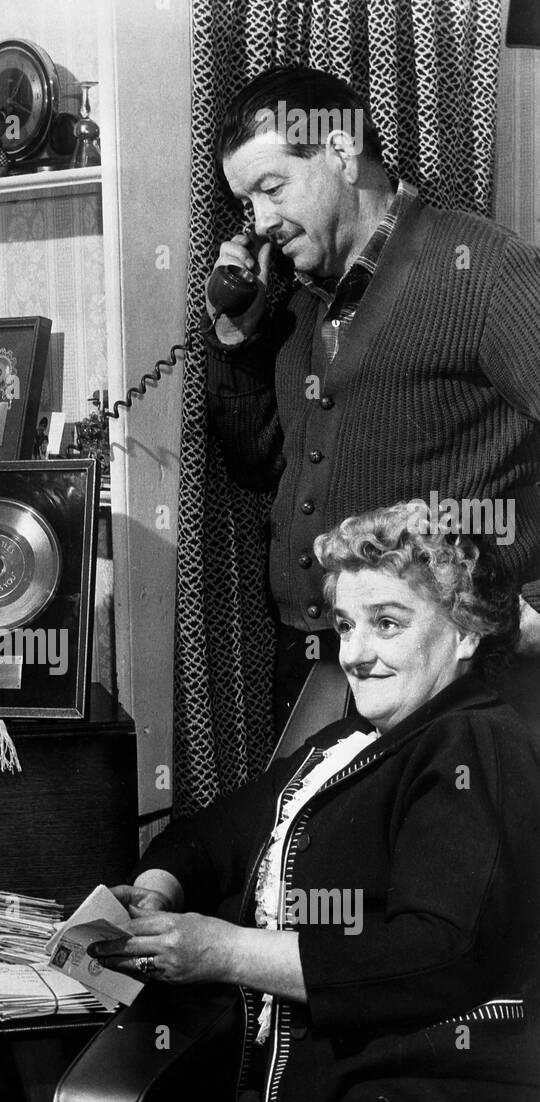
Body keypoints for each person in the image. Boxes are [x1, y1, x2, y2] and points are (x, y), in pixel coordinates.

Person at [90, 501, 540, 1102]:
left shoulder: (472, 744)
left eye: (388, 624)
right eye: (344, 626)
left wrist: (222, 951)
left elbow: (437, 953)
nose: (357, 655)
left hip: (453, 1097)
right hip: (332, 1094)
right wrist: (157, 885)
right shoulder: (350, 741)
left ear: (467, 631)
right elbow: (224, 829)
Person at [203, 66, 540, 720]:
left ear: (339, 151)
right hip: (312, 667)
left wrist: (507, 587)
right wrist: (238, 339)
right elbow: (257, 466)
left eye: (272, 188)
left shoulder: (488, 270)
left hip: (444, 669)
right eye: (248, 203)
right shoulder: (301, 307)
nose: (261, 220)